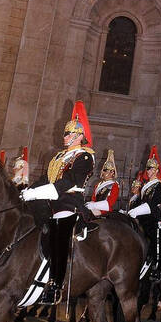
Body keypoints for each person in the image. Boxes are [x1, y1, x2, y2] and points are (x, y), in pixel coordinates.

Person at [21, 101, 97, 306]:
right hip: (51, 202)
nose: (64, 137)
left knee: (61, 233)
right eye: (65, 133)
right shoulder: (57, 157)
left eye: (68, 133)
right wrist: (28, 191)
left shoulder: (85, 157)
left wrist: (38, 193)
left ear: (79, 136)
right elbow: (46, 180)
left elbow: (67, 183)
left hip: (69, 202)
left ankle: (55, 284)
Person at [128, 146, 161, 265]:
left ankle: (154, 263)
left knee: (153, 239)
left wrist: (135, 212)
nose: (148, 172)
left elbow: (152, 204)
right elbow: (141, 201)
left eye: (150, 169)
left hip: (153, 216)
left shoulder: (159, 185)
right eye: (147, 169)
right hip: (144, 215)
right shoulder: (146, 185)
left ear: (156, 170)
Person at [86, 149, 120, 216]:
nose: (107, 173)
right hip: (94, 208)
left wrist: (94, 205)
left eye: (110, 171)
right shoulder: (98, 184)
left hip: (105, 210)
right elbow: (93, 198)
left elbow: (110, 202)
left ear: (113, 173)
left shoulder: (114, 185)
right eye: (105, 170)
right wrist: (90, 204)